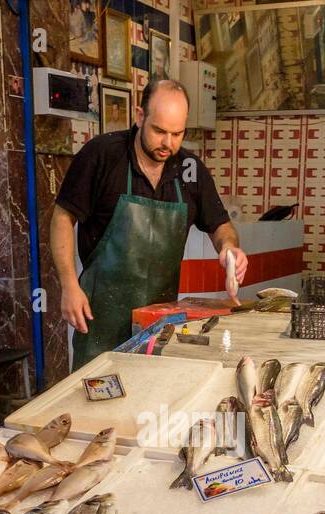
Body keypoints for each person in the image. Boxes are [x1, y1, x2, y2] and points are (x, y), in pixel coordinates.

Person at [50, 78, 248, 370]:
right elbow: (61, 218)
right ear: (140, 116)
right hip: (99, 318)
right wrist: (68, 285)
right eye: (159, 131)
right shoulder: (102, 156)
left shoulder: (190, 171)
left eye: (178, 134)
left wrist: (230, 248)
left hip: (159, 323)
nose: (168, 143)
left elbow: (221, 226)